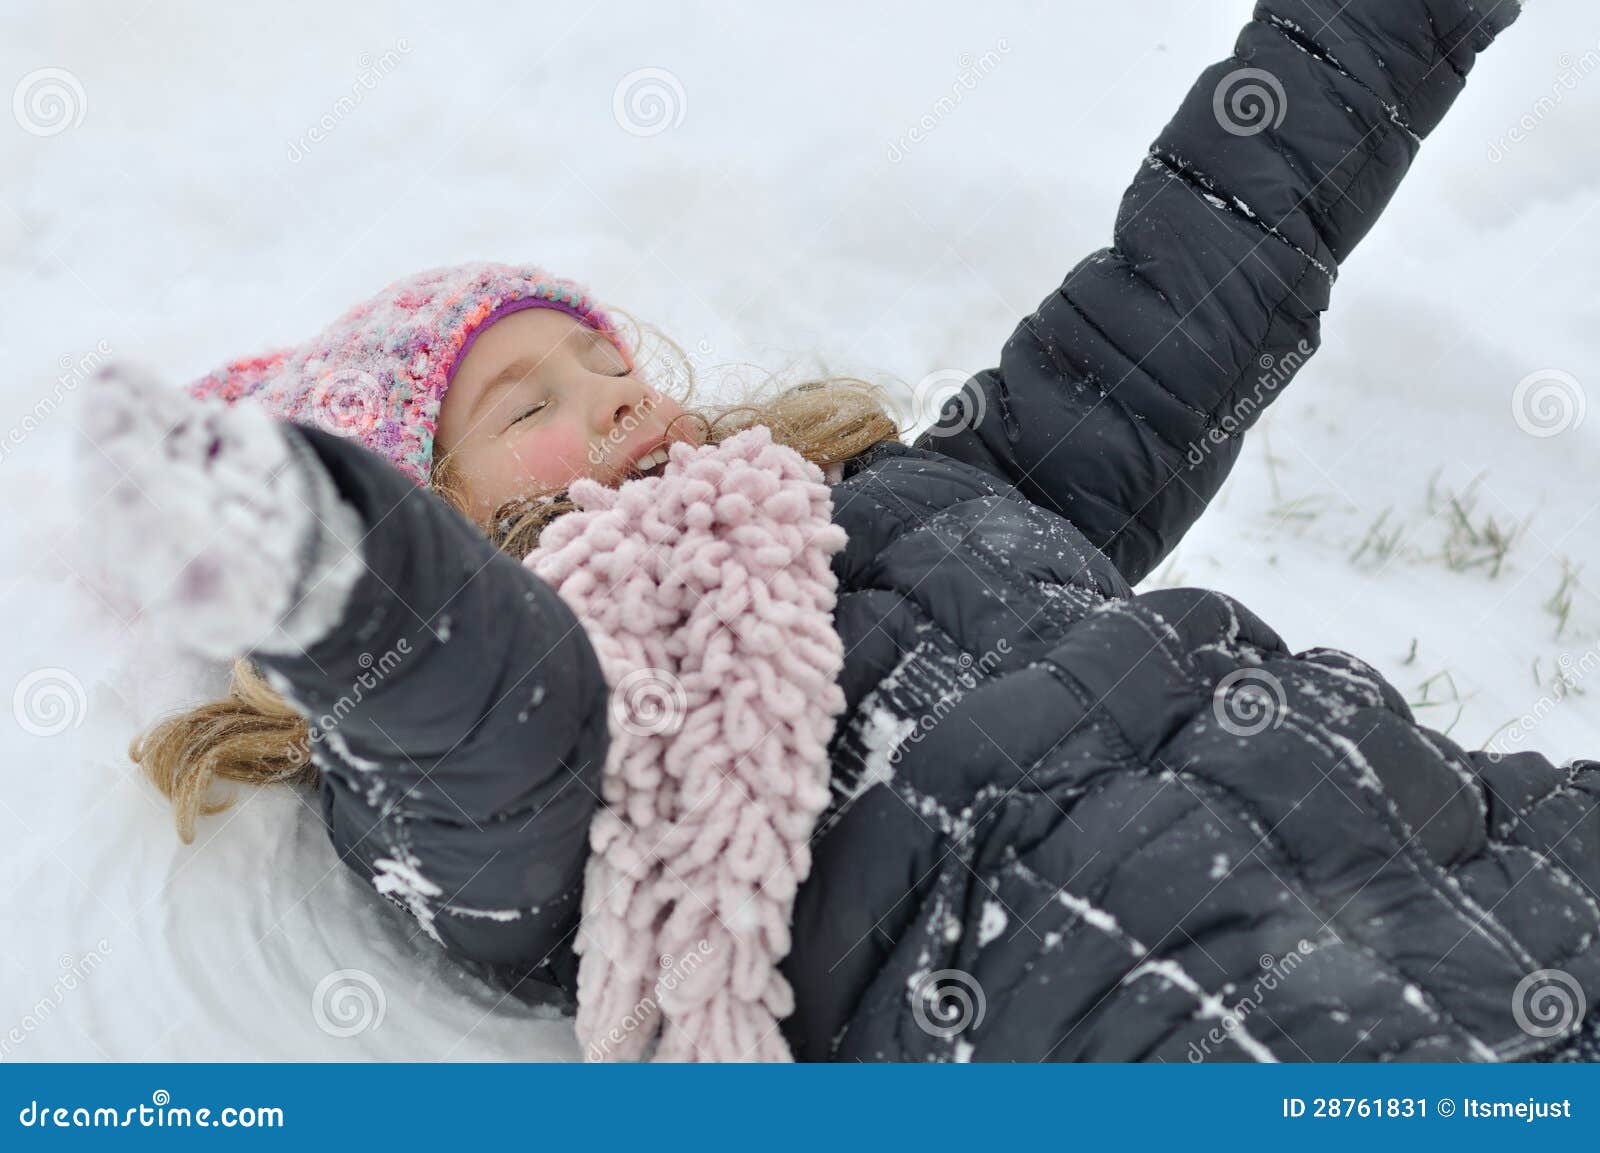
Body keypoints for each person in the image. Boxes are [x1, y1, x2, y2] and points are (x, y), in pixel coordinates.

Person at [87, 0, 1595, 1061]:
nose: (608, 393)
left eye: (604, 354)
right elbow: (461, 702)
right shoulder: (581, 725)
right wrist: (320, 553)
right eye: (523, 403)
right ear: (442, 512)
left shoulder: (923, 489)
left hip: (1427, 819)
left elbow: (1191, 286)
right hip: (1138, 1003)